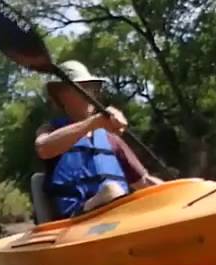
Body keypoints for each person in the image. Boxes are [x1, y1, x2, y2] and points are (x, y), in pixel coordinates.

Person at [35, 60, 162, 218]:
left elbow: (143, 182)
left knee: (156, 191)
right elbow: (43, 148)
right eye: (81, 87)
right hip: (75, 220)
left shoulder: (110, 138)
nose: (89, 93)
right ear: (61, 96)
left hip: (118, 214)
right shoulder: (51, 130)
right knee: (111, 190)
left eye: (92, 88)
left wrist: (178, 191)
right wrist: (93, 123)